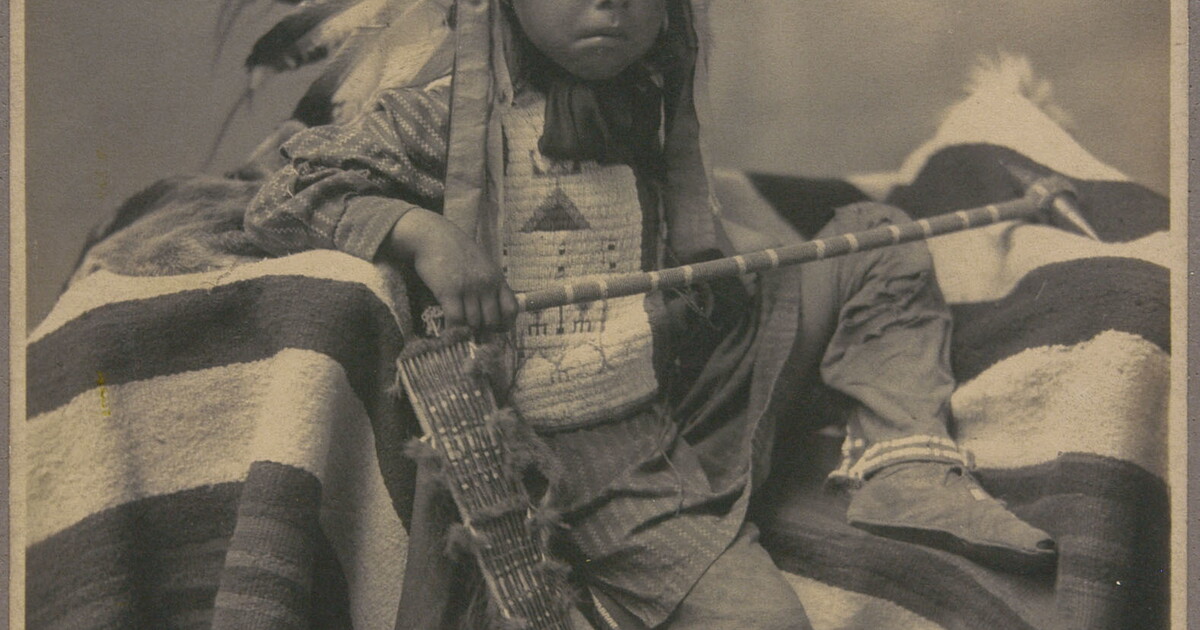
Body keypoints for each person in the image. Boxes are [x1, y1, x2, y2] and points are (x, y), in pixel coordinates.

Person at [243, 0, 1054, 627]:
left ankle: (905, 465)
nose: (613, 2)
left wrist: (696, 270)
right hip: (590, 443)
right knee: (762, 621)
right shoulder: (443, 118)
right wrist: (425, 236)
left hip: (688, 366)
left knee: (878, 240)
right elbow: (284, 195)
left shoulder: (649, 102)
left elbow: (654, 235)